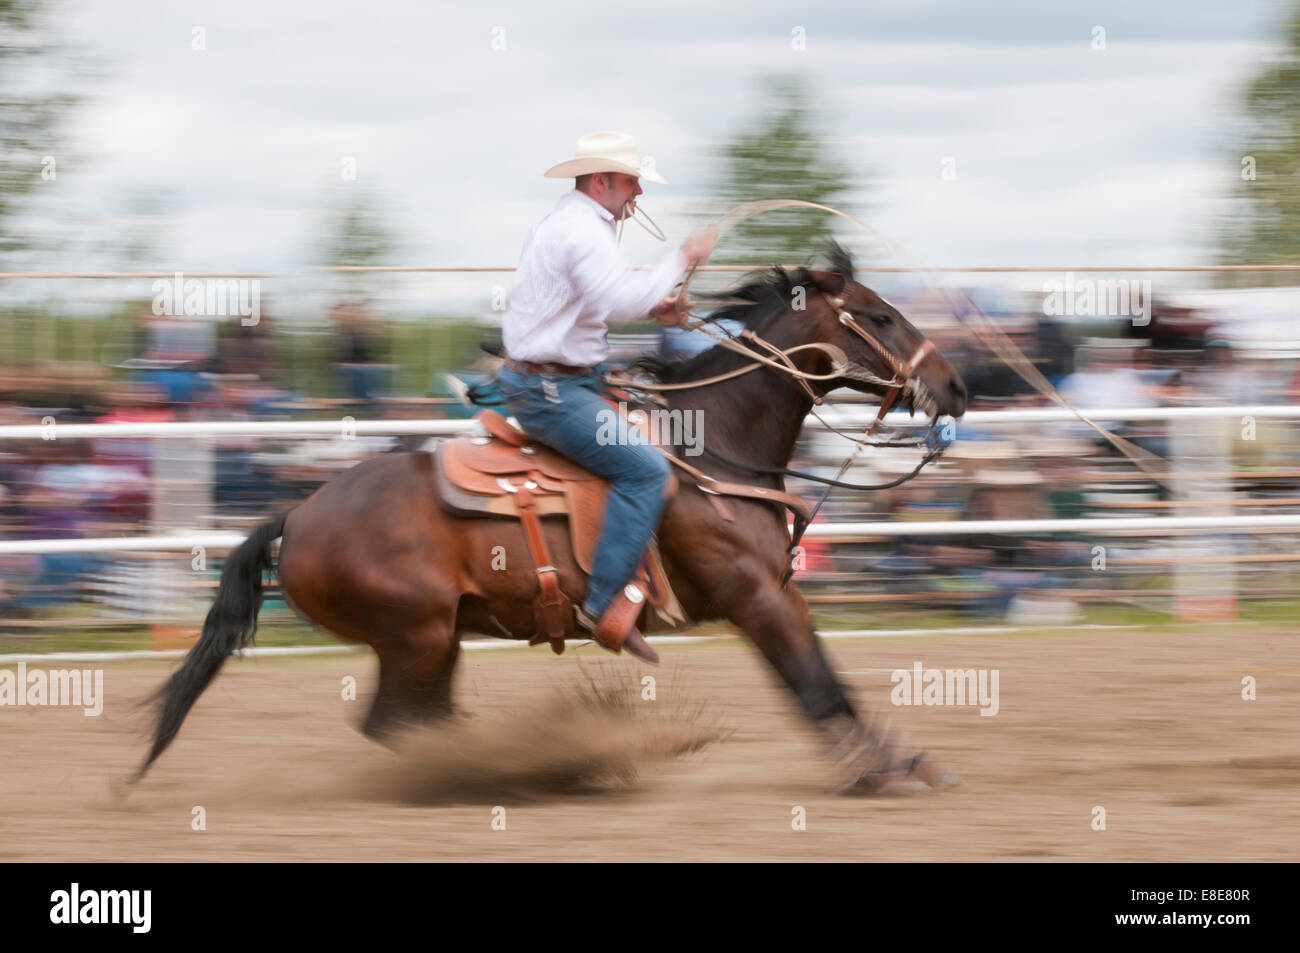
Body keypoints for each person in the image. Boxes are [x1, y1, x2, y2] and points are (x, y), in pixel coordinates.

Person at [497, 131, 717, 662]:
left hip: (560, 380)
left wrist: (656, 305)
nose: (638, 191)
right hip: (551, 390)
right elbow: (617, 301)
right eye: (631, 180)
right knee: (646, 471)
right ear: (602, 181)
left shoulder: (571, 225)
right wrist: (681, 257)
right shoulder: (582, 231)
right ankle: (600, 604)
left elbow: (598, 301)